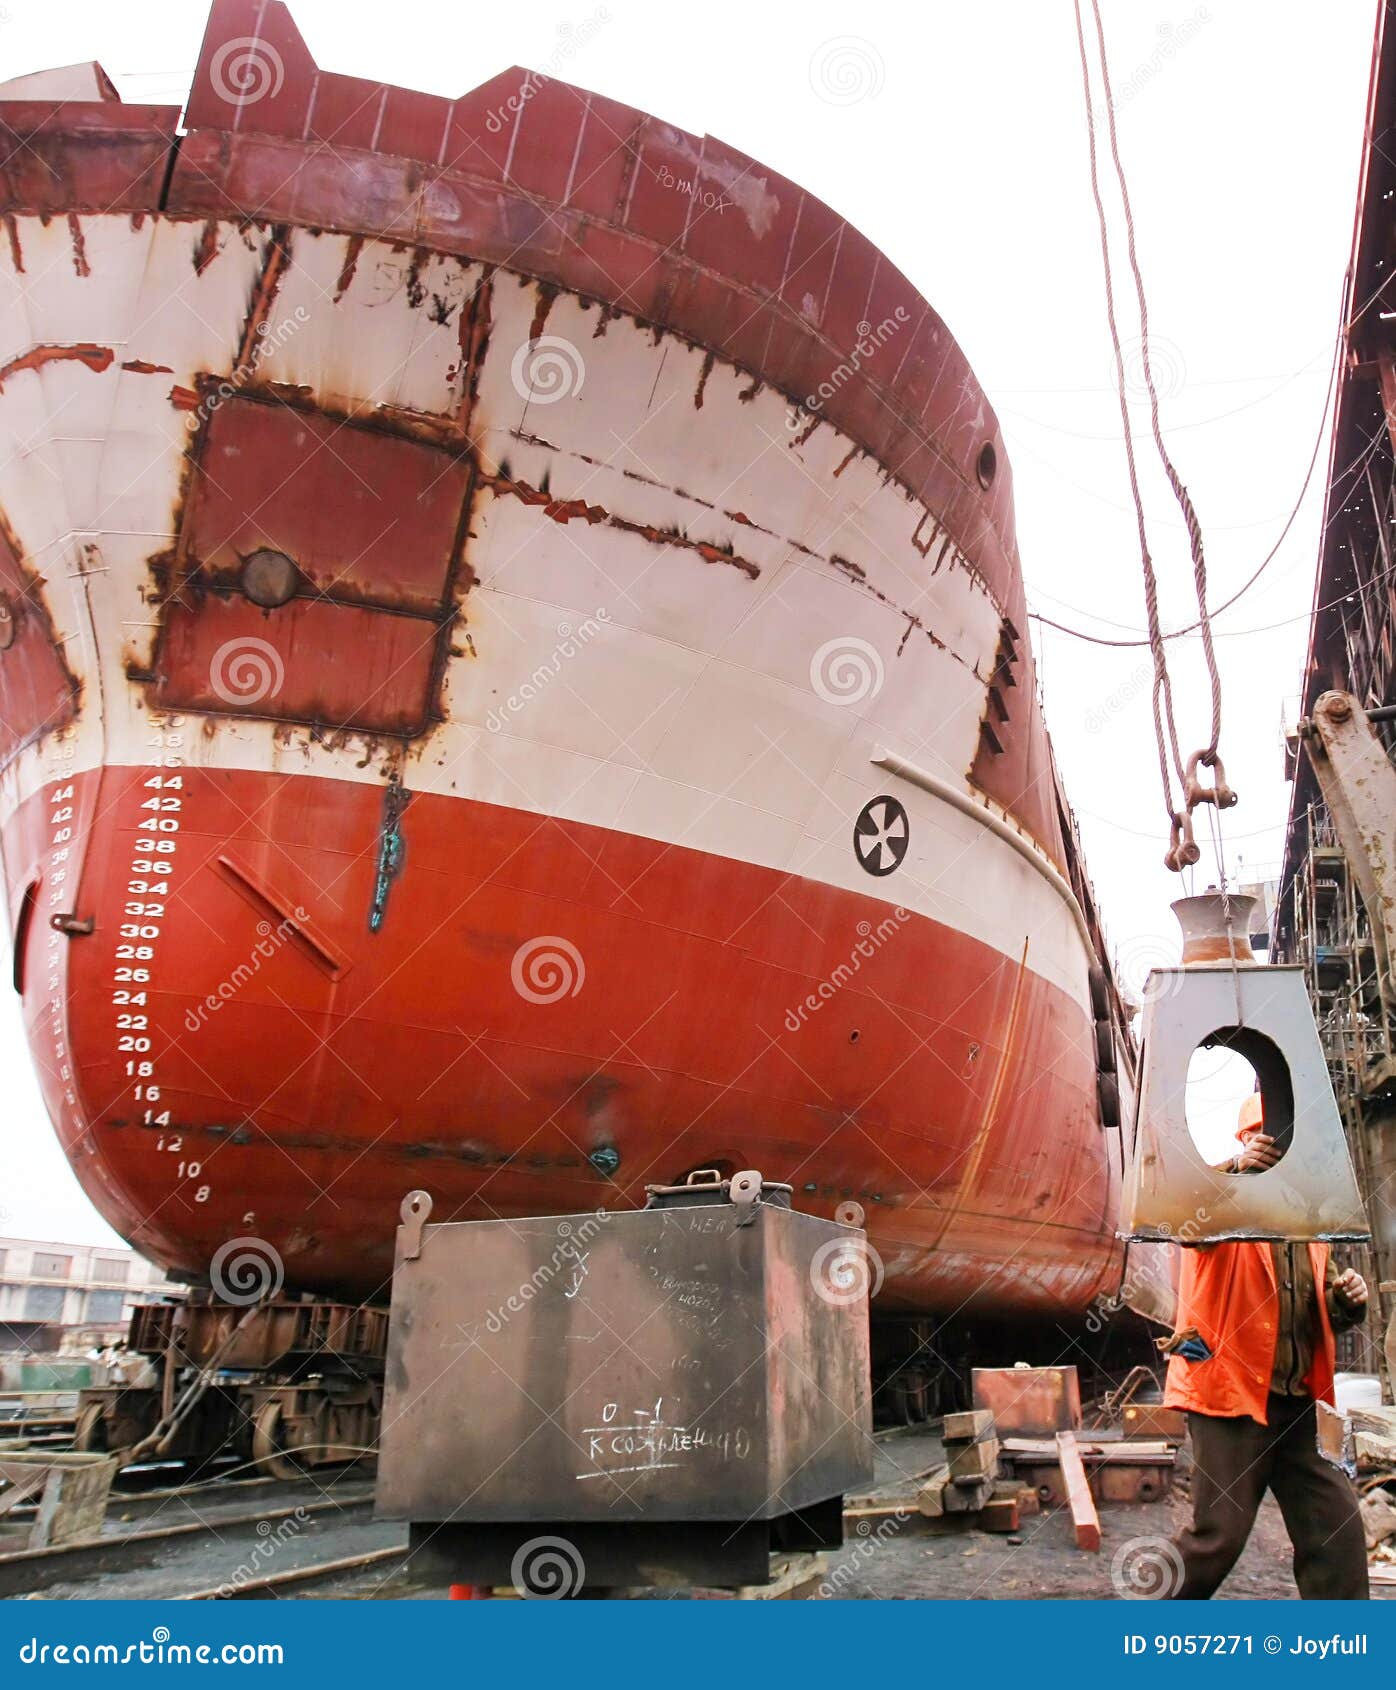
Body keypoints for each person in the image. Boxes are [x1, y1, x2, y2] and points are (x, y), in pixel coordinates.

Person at [1161, 1093, 1371, 1599]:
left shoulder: (1305, 1224)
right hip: (1230, 1399)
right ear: (1250, 1139)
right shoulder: (1221, 1203)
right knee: (1218, 1538)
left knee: (1337, 1531)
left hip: (1297, 1405)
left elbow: (1312, 1307)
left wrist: (1346, 1300)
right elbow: (1174, 1216)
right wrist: (1232, 1169)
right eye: (1269, 1139)